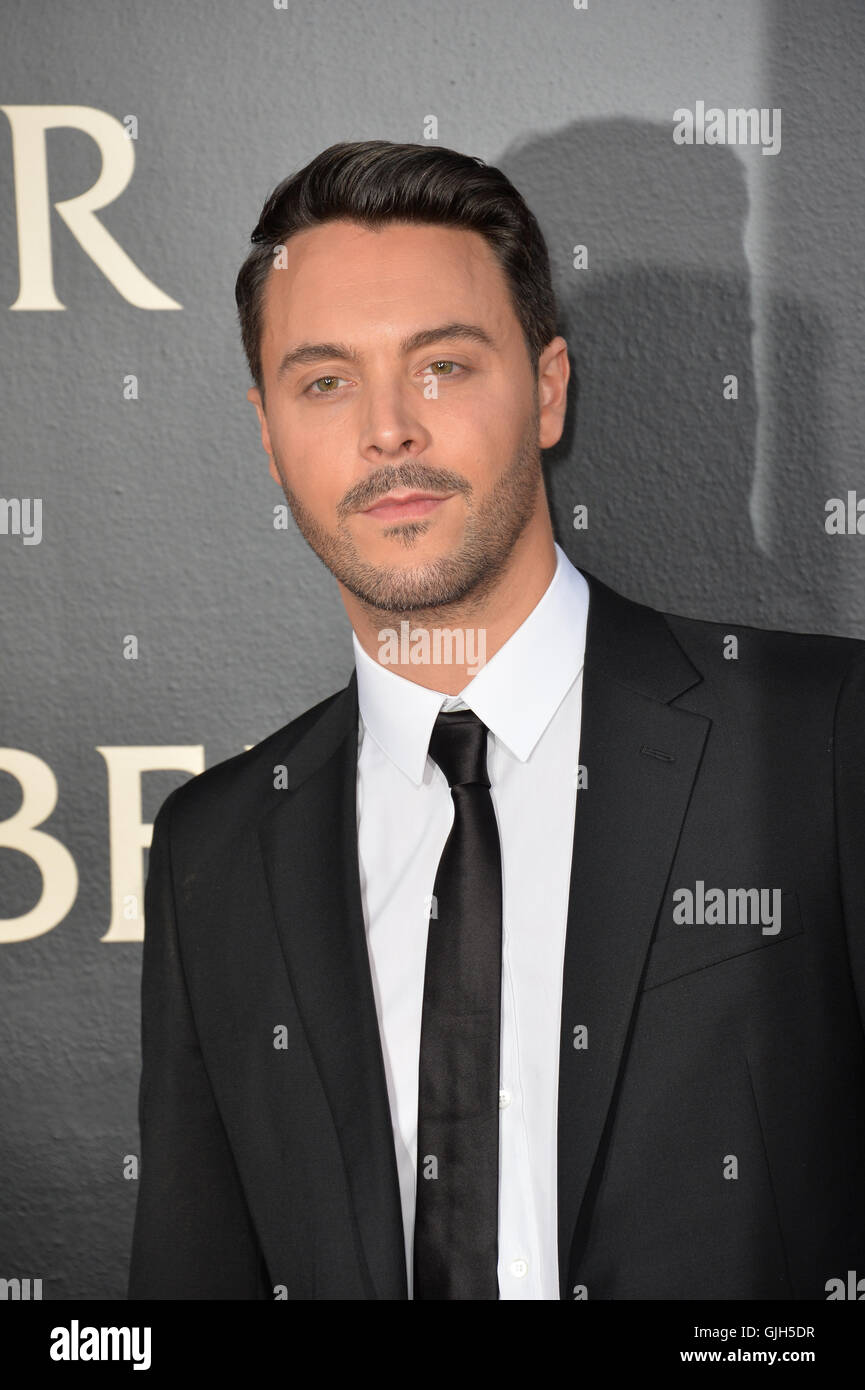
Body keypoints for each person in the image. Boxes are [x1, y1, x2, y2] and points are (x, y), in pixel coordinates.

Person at [128, 140, 865, 1301]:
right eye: (325, 381)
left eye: (444, 366)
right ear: (268, 436)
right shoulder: (212, 852)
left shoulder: (822, 741)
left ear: (549, 388)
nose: (388, 431)